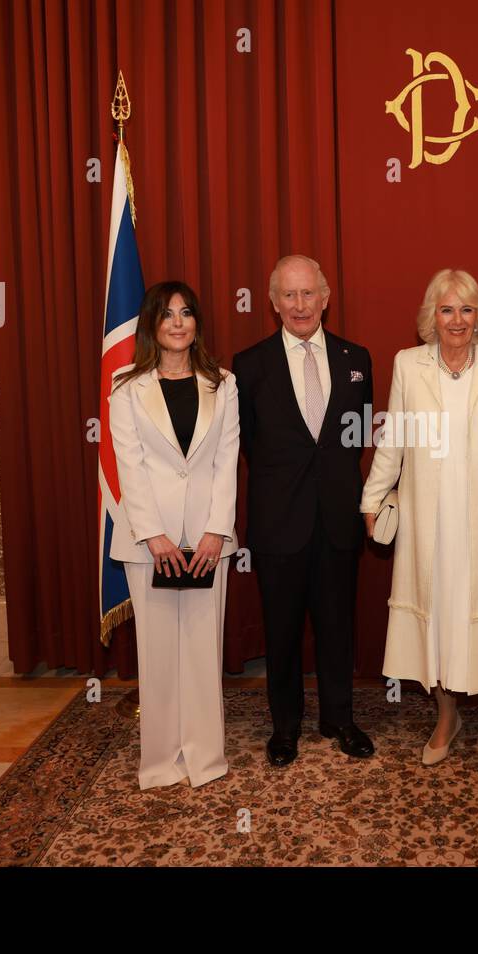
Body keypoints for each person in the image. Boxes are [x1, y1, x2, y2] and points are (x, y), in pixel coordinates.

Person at [361, 269, 478, 794]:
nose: (457, 320)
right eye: (446, 309)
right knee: (436, 624)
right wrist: (371, 499)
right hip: (427, 524)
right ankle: (447, 718)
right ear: (431, 317)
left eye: (466, 309)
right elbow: (393, 440)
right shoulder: (407, 365)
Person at [232, 254, 375, 767]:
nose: (299, 304)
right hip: (278, 523)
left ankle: (339, 718)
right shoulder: (248, 366)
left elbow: (356, 437)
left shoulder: (357, 358)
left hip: (337, 519)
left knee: (338, 627)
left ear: (325, 297)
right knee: (283, 631)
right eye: (289, 295)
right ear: (273, 303)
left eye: (308, 293)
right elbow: (246, 444)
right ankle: (285, 727)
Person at [108, 280, 240, 790]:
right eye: (167, 314)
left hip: (208, 541)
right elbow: (130, 465)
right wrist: (154, 535)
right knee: (158, 654)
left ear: (196, 323)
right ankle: (161, 761)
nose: (178, 323)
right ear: (152, 324)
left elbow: (227, 460)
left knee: (204, 652)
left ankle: (205, 757)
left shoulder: (223, 383)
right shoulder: (126, 387)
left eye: (186, 313)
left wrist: (216, 530)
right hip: (149, 543)